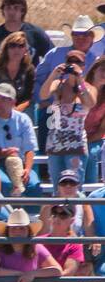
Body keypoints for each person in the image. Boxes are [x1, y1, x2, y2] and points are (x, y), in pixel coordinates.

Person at [39, 53, 94, 184]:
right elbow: (43, 95)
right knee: (56, 187)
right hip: (55, 144)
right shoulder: (58, 84)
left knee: (75, 186)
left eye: (78, 62)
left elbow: (90, 103)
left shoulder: (88, 88)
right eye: (71, 62)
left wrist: (79, 78)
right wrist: (54, 74)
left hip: (76, 146)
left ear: (84, 65)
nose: (74, 65)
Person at [0, 0, 54, 71]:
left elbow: (53, 57)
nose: (11, 12)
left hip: (30, 80)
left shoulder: (36, 34)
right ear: (3, 11)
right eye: (8, 8)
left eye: (16, 8)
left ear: (22, 11)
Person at [0, 82, 40, 197]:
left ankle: (30, 214)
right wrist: (4, 153)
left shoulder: (23, 119)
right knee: (5, 183)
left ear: (13, 102)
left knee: (33, 184)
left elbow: (30, 148)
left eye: (3, 99)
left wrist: (27, 169)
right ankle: (5, 214)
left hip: (19, 161)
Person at [0, 32, 35, 110]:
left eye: (21, 46)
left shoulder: (29, 69)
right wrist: (0, 109)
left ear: (26, 50)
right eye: (12, 46)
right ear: (6, 49)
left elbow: (28, 96)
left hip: (19, 110)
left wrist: (16, 110)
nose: (16, 49)